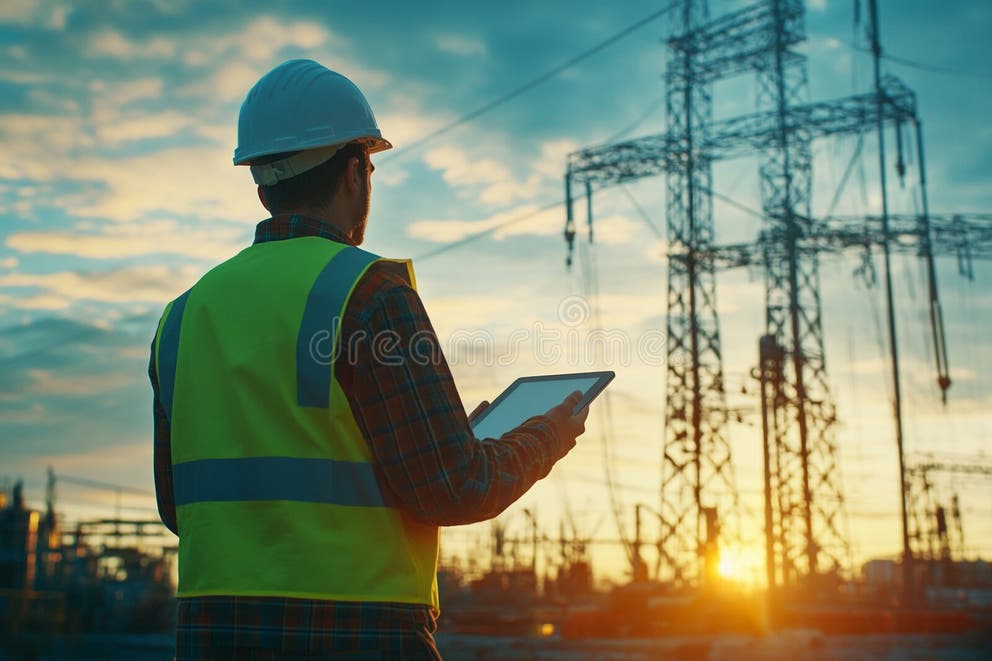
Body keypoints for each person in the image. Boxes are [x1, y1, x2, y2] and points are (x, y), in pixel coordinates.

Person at [150, 59, 589, 660]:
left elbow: (181, 507)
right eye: (369, 165)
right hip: (360, 633)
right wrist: (546, 436)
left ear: (262, 185)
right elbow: (455, 488)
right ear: (355, 171)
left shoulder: (181, 318)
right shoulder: (369, 294)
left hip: (212, 637)